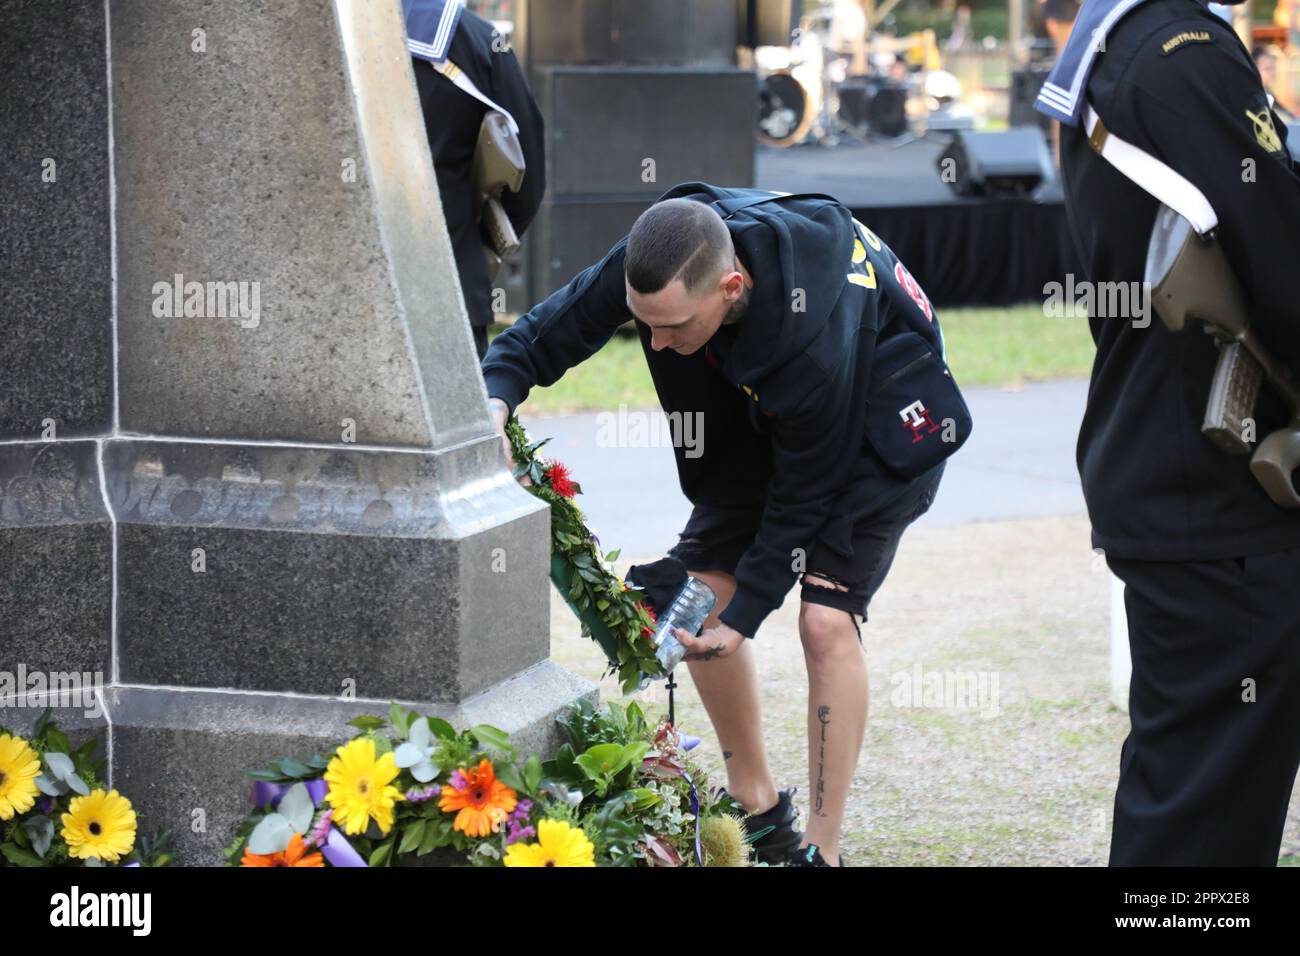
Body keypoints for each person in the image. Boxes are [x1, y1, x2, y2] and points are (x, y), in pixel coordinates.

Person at [481, 182, 965, 866]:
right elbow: (542, 335)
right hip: (761, 412)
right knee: (696, 605)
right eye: (644, 323)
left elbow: (803, 498)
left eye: (674, 327)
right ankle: (760, 809)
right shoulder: (659, 259)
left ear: (731, 286)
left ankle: (819, 855)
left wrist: (753, 610)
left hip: (881, 422)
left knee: (823, 618)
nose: (655, 340)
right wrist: (493, 406)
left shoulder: (813, 336)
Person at [1037, 0, 1300, 865]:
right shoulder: (1180, 46)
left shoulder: (1124, 41)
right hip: (1220, 486)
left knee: (1203, 794)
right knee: (1205, 821)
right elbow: (1282, 264)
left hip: (1186, 475)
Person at [405, 0, 546, 361]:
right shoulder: (477, 41)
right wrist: (477, 241)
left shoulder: (324, 39)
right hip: (450, 291)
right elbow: (525, 177)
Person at [1255, 45, 1296, 122]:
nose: (1272, 73)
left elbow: (1289, 116)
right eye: (1268, 68)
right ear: (1255, 69)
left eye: (1274, 68)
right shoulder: (1255, 99)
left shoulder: (1269, 95)